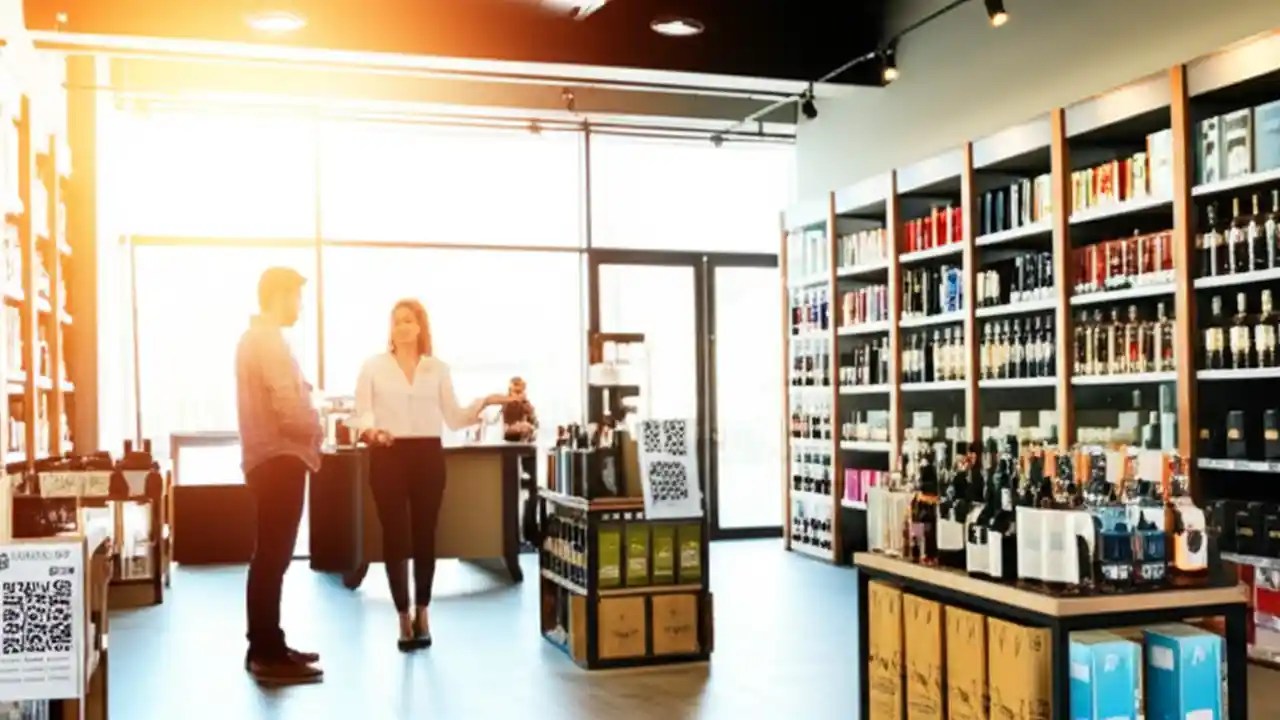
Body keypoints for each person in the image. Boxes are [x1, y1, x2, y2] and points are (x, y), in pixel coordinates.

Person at [349, 298, 511, 651]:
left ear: (421, 326)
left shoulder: (437, 368)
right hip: (387, 454)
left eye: (409, 321)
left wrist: (483, 403)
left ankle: (423, 611)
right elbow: (363, 412)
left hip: (427, 455)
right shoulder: (373, 366)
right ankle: (402, 617)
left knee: (425, 534)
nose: (402, 327)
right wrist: (372, 432)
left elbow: (453, 418)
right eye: (396, 321)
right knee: (394, 535)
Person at [235, 267, 324, 685]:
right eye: (296, 297)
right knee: (273, 556)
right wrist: (317, 426)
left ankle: (269, 643)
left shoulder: (258, 339)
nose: (300, 306)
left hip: (269, 459)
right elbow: (287, 409)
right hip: (279, 458)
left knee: (271, 556)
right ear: (278, 296)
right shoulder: (268, 341)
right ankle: (266, 652)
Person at [501, 376, 539, 442]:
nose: (518, 395)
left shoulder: (526, 405)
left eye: (520, 392)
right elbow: (505, 429)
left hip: (524, 441)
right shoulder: (505, 405)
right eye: (516, 392)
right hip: (509, 441)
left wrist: (529, 411)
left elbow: (535, 425)